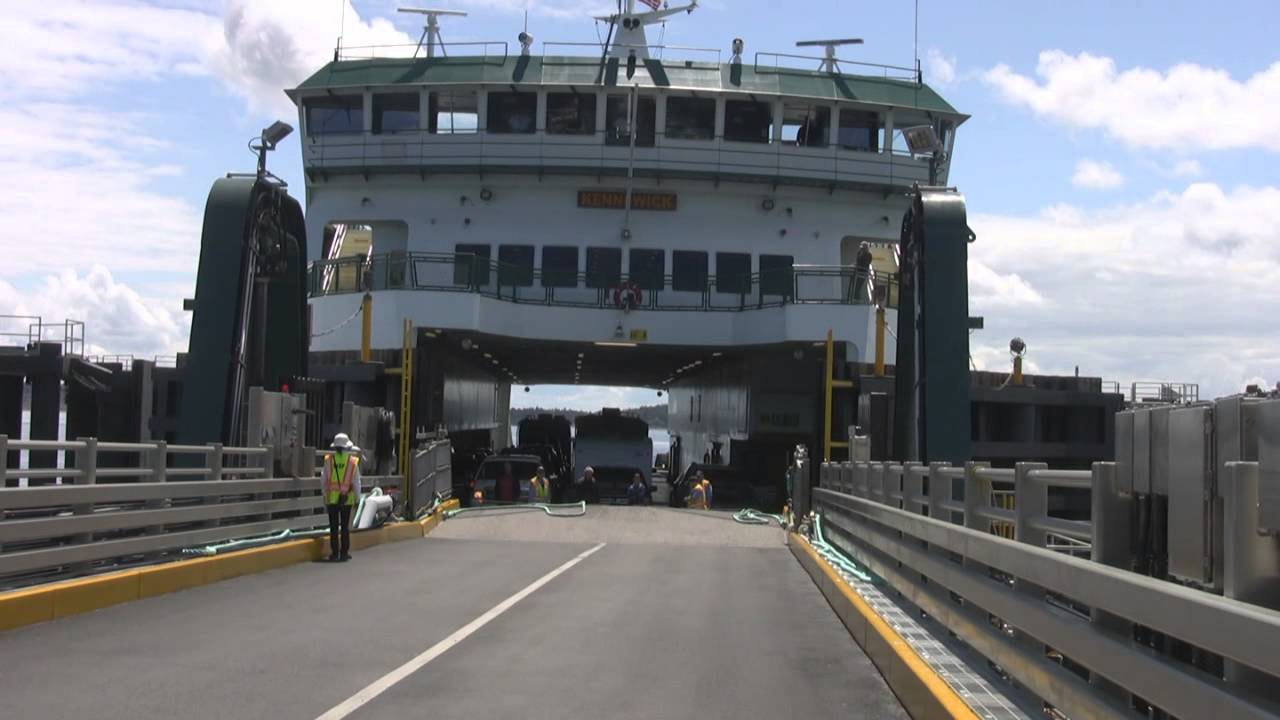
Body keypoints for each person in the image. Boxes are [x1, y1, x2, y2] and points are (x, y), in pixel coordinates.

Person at [322, 433, 362, 562]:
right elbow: (356, 482)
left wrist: (325, 496)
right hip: (346, 499)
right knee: (344, 527)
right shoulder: (352, 462)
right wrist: (357, 498)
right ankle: (344, 553)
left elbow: (323, 480)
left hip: (332, 499)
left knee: (333, 527)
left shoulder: (328, 460)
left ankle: (334, 553)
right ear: (347, 447)